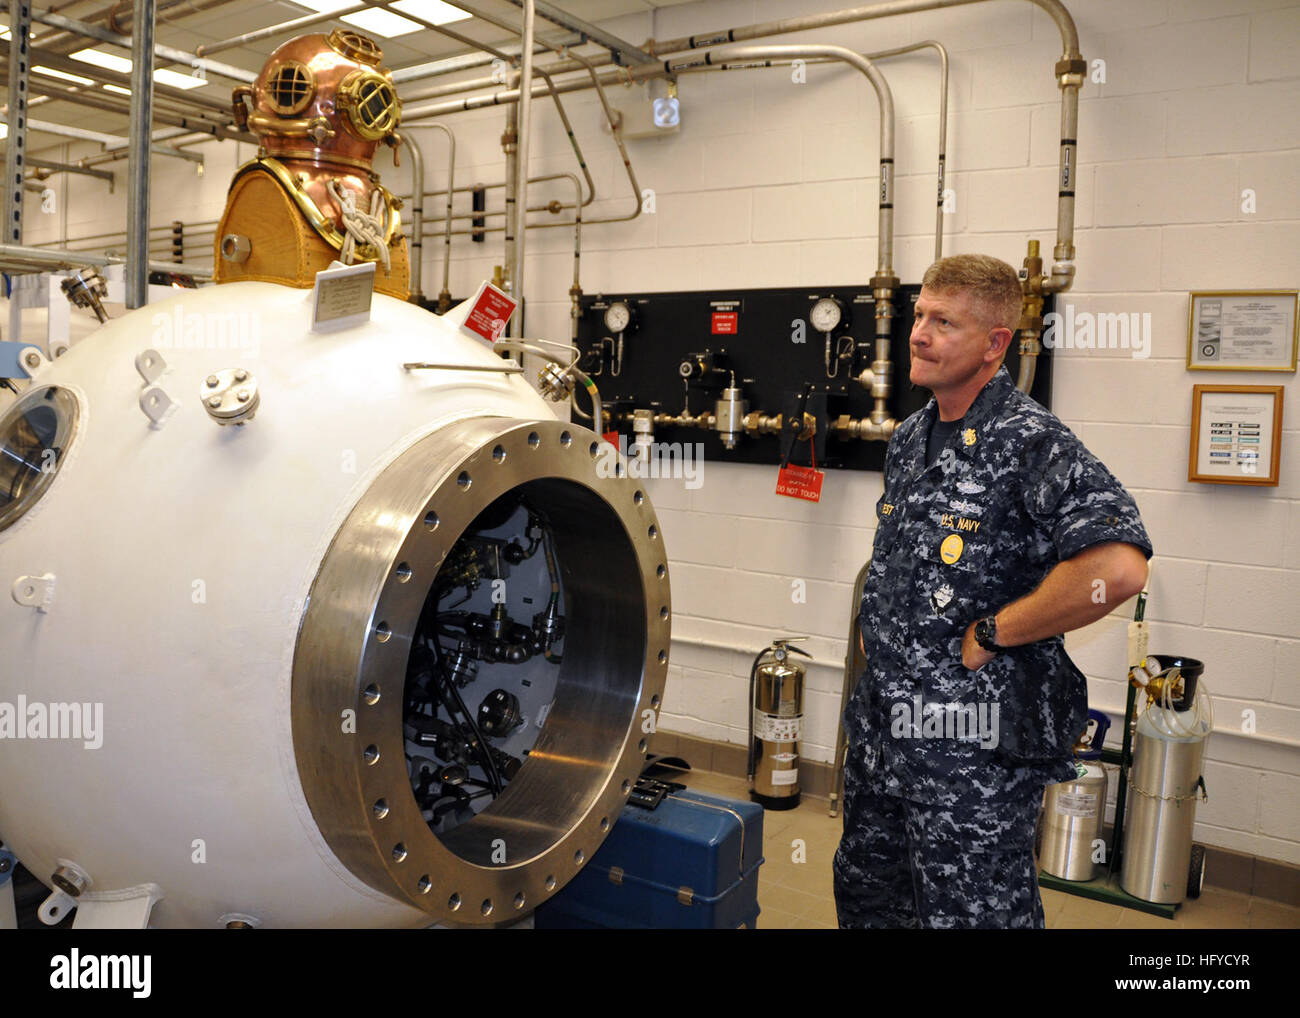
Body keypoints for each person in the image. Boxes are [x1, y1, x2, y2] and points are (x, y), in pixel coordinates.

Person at [833, 254, 1152, 929]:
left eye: (942, 322)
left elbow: (1118, 569)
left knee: (972, 915)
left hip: (967, 757)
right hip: (885, 738)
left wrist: (993, 633)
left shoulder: (1030, 442)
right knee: (871, 899)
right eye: (919, 314)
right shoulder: (912, 435)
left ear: (994, 344)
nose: (918, 332)